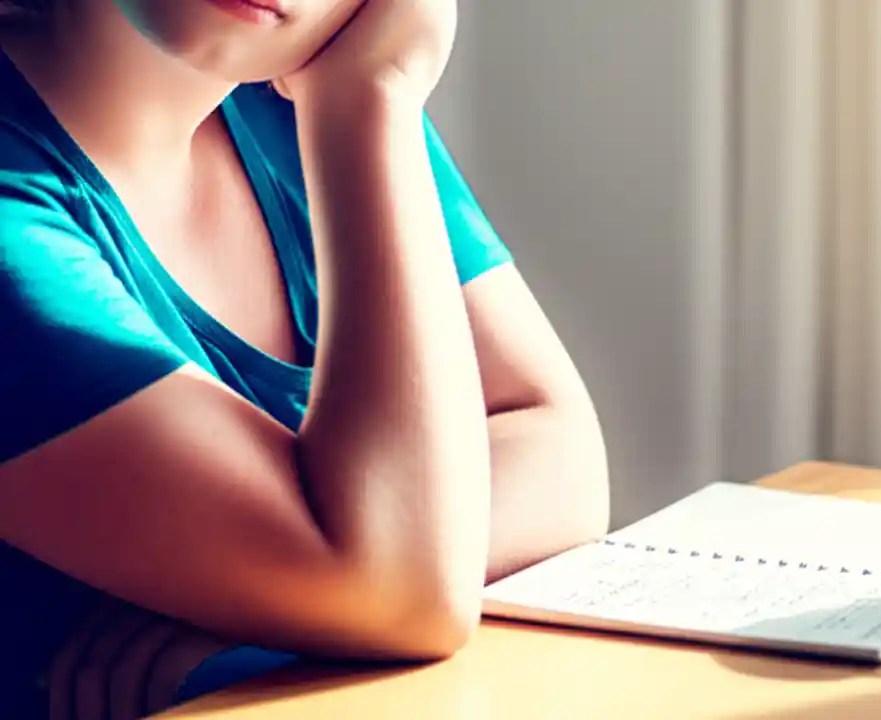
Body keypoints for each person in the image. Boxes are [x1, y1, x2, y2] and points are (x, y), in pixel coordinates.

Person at [0, 0, 610, 716]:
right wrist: (346, 594)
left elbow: (559, 448)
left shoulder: (310, 89)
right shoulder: (347, 97)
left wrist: (288, 601)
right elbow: (403, 590)